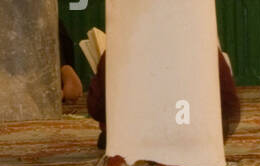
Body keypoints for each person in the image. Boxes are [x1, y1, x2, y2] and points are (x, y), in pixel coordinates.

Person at [87, 50, 241, 151]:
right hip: (198, 136)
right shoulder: (202, 43)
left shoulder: (120, 48)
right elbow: (229, 105)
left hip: (135, 137)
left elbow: (98, 108)